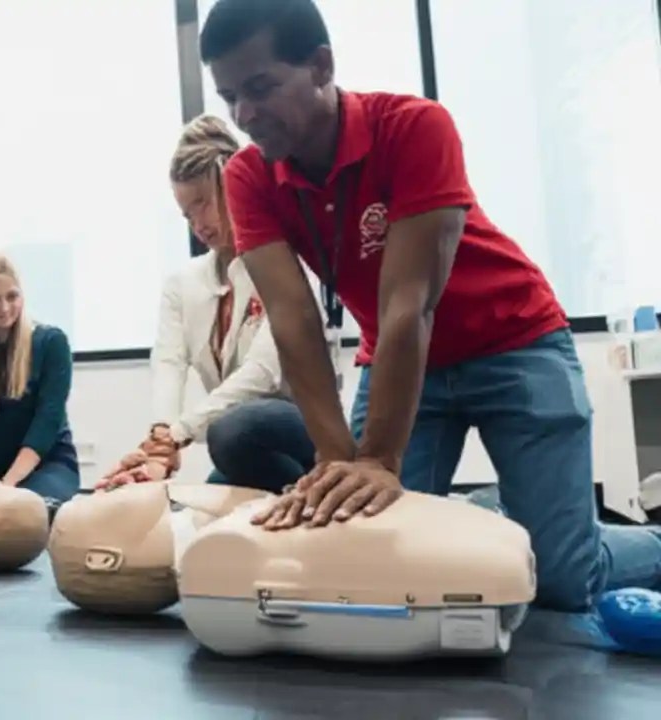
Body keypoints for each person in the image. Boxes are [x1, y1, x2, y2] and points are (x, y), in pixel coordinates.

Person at [198, 0, 661, 611]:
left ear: (320, 65)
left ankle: (636, 541)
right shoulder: (249, 176)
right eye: (230, 96)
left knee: (559, 580)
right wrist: (341, 461)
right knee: (361, 542)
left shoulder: (415, 127)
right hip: (403, 364)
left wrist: (381, 461)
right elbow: (293, 320)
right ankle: (491, 511)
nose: (244, 114)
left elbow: (408, 305)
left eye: (260, 88)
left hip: (513, 343)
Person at [98, 114, 307, 494]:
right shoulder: (182, 285)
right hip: (240, 443)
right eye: (187, 213)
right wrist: (159, 445)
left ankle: (313, 484)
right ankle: (288, 500)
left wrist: (179, 434)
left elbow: (263, 373)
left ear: (233, 186)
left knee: (231, 431)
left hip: (297, 431)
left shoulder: (281, 262)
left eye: (203, 203)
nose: (198, 223)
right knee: (209, 500)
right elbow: (168, 362)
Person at [0, 252, 80, 508]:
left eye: (12, 297)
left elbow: (47, 424)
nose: (4, 308)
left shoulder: (51, 343)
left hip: (49, 465)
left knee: (20, 512)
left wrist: (6, 489)